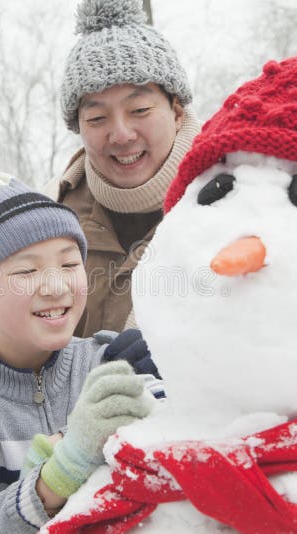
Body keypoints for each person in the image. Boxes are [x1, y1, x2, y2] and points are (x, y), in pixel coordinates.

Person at [0, 163, 162, 533]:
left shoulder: (112, 363)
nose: (56, 286)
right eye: (27, 271)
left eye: (68, 263)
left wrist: (172, 380)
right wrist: (64, 465)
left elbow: (191, 449)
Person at [46, 0, 202, 337]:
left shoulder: (229, 203)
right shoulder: (53, 217)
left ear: (176, 112)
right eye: (97, 118)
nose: (121, 134)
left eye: (140, 109)